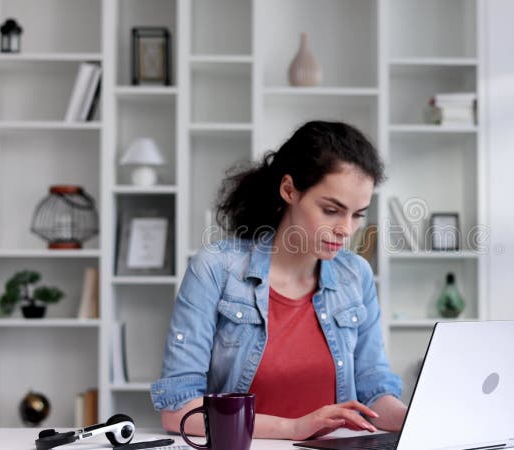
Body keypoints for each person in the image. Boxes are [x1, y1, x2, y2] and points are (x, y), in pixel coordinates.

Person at [151, 121, 407, 440]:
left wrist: (418, 417)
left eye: (357, 214)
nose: (346, 229)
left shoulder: (356, 275)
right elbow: (179, 409)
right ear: (289, 190)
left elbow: (373, 393)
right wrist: (294, 428)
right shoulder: (215, 269)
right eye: (331, 210)